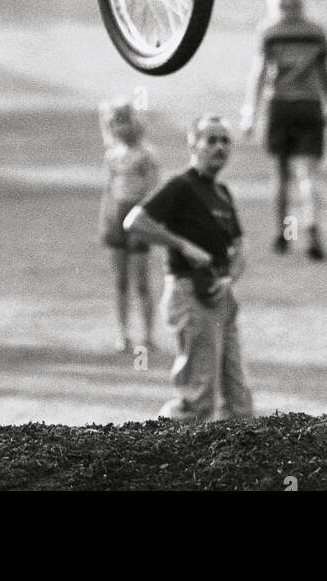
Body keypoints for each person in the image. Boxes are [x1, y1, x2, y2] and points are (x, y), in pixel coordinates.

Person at [124, 114, 253, 422]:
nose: (219, 147)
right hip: (190, 295)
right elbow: (134, 222)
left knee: (239, 405)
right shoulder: (181, 186)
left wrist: (229, 279)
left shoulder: (222, 193)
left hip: (220, 296)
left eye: (225, 141)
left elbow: (240, 248)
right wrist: (182, 245)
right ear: (193, 144)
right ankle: (157, 447)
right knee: (198, 401)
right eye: (211, 140)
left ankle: (234, 467)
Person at [241, 0, 327, 259]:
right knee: (306, 175)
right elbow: (323, 72)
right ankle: (311, 231)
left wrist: (250, 111)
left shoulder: (269, 32)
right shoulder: (316, 32)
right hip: (308, 106)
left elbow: (259, 74)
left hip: (280, 107)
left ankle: (285, 234)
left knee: (282, 176)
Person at [98, 97, 159, 352]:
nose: (119, 129)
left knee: (141, 282)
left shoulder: (144, 156)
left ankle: (148, 335)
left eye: (123, 122)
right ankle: (123, 334)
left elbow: (154, 189)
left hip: (138, 219)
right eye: (115, 124)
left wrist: (146, 219)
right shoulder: (112, 156)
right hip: (115, 217)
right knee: (120, 281)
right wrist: (105, 221)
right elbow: (108, 190)